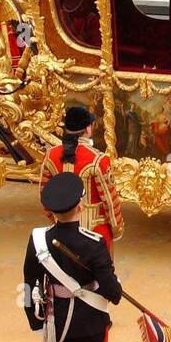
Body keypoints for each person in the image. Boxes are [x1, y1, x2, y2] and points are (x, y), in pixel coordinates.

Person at [22, 172, 123, 342]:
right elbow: (113, 294)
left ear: (51, 211)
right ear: (80, 205)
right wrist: (115, 285)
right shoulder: (94, 244)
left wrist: (35, 321)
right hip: (90, 325)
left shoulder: (37, 240)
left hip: (57, 324)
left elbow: (29, 284)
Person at [39, 105, 124, 247]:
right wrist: (116, 229)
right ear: (87, 129)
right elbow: (110, 201)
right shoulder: (98, 159)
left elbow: (44, 195)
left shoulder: (50, 155)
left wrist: (56, 217)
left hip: (60, 229)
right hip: (95, 231)